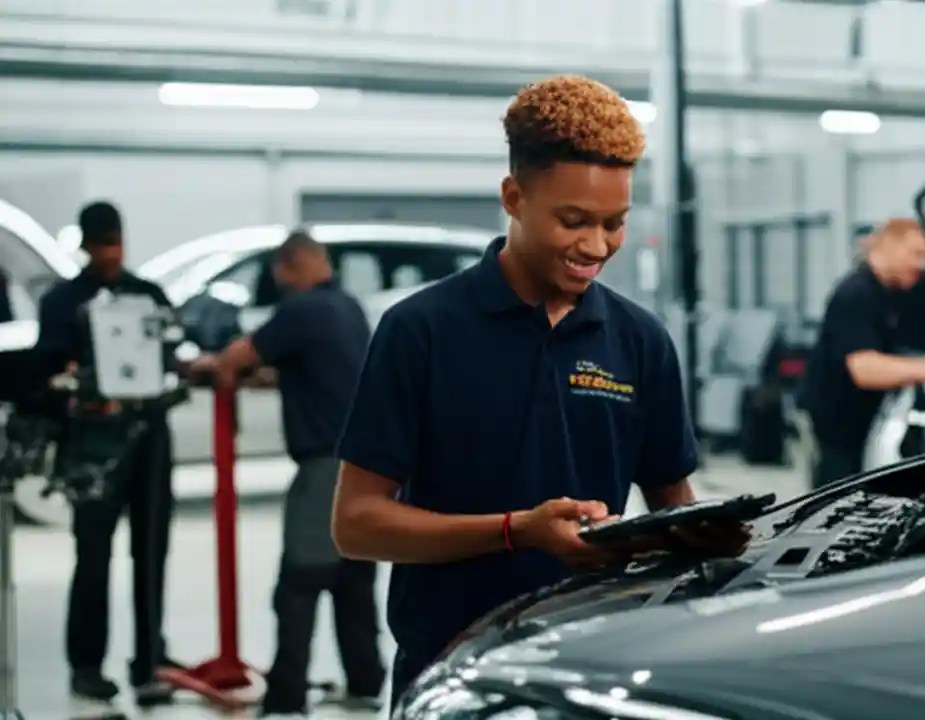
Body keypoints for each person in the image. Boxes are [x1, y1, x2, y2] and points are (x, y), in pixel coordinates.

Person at [330, 74, 748, 707]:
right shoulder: (421, 330)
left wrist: (694, 537)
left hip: (595, 671)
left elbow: (671, 510)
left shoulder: (638, 340)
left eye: (615, 223)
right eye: (573, 221)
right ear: (513, 196)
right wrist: (517, 530)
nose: (596, 246)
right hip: (453, 677)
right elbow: (357, 525)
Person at [194, 230, 386, 716]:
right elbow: (312, 369)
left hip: (323, 469)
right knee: (352, 581)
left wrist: (206, 364)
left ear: (290, 266)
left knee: (298, 586)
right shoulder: (346, 306)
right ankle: (366, 683)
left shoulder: (300, 310)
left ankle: (286, 699)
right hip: (364, 468)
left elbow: (236, 358)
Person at [33, 201, 180, 705]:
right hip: (93, 444)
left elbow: (170, 357)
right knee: (92, 556)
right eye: (102, 245)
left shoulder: (147, 296)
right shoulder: (61, 303)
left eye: (117, 243)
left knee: (152, 552)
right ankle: (86, 665)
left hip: (149, 440)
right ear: (87, 245)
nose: (111, 253)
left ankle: (149, 661)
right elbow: (47, 371)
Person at [801, 218, 925, 488]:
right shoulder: (855, 293)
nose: (921, 264)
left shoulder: (897, 292)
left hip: (863, 421)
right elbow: (865, 369)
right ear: (888, 247)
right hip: (838, 425)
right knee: (837, 498)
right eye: (915, 254)